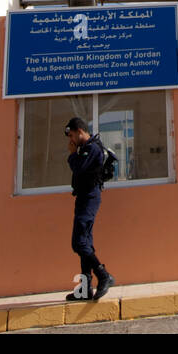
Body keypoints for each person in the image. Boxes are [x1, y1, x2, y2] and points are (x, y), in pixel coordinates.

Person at [64, 116, 115, 301]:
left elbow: (78, 167)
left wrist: (72, 154)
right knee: (85, 242)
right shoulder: (85, 149)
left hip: (89, 198)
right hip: (84, 198)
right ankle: (85, 289)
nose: (71, 140)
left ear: (79, 131)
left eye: (71, 135)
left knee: (79, 242)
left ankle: (104, 276)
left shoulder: (92, 148)